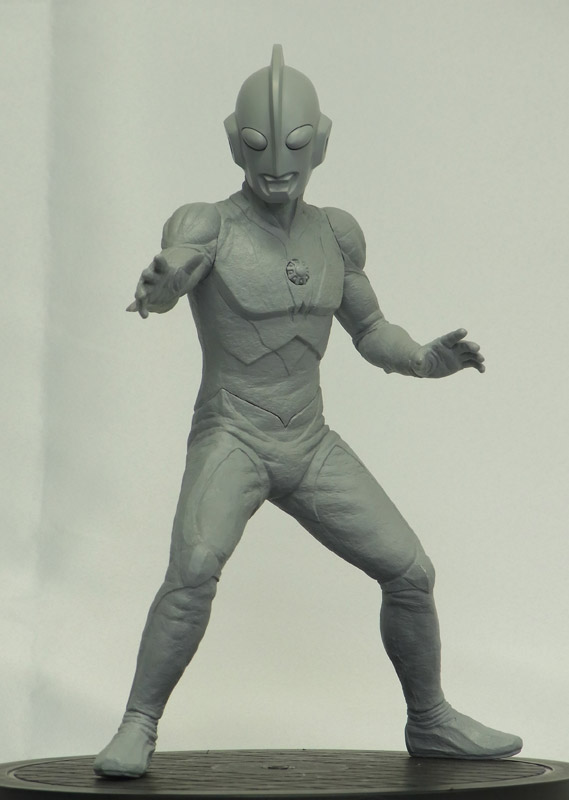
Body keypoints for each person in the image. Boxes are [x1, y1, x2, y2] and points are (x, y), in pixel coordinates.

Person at [94, 46, 521, 778]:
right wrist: (158, 286)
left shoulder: (335, 234)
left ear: (319, 143)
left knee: (410, 571)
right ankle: (138, 722)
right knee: (193, 571)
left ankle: (429, 720)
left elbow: (370, 328)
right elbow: (174, 273)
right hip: (233, 434)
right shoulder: (208, 225)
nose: (276, 165)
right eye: (257, 145)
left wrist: (424, 358)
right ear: (235, 144)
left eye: (293, 145)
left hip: (309, 441)